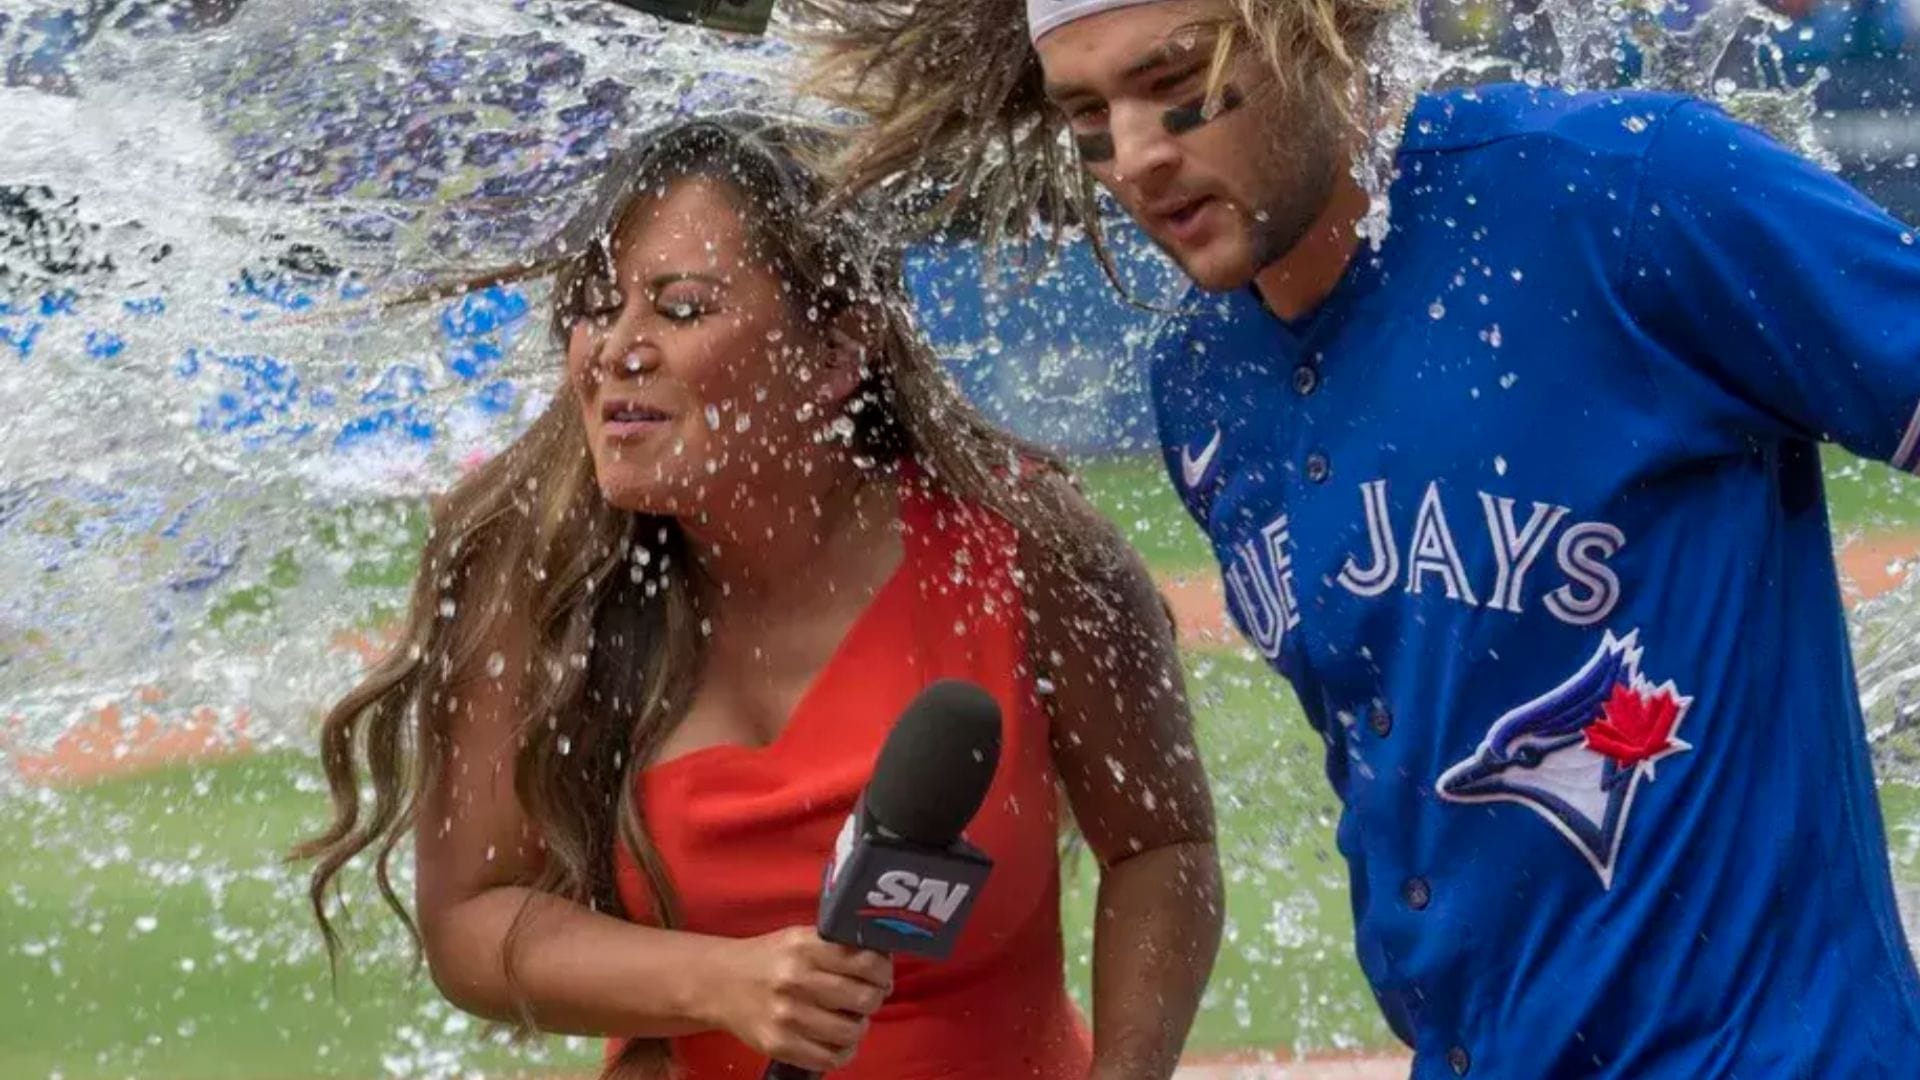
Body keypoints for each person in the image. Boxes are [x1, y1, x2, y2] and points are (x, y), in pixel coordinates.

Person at [797, 0, 1920, 1075]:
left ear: (1312, 24)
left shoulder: (1627, 192)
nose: (1135, 156)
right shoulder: (1204, 385)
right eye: (1089, 116)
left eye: (1176, 82)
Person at [292, 114, 1222, 1080]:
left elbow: (1164, 846)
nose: (617, 350)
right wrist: (721, 984)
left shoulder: (1033, 553)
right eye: (596, 308)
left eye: (681, 309)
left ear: (831, 355)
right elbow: (471, 924)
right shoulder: (530, 580)